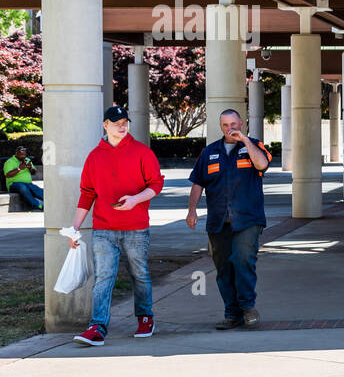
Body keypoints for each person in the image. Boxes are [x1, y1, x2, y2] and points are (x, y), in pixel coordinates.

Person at [69, 106, 165, 346]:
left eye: (125, 122)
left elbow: (156, 184)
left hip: (136, 228)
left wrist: (135, 200)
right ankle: (97, 327)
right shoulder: (94, 156)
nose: (122, 126)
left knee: (139, 274)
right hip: (103, 229)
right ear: (105, 125)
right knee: (103, 278)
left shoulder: (142, 152)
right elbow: (87, 193)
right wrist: (75, 228)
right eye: (116, 122)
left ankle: (145, 317)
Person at [186, 109, 272, 330]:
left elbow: (262, 165)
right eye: (225, 125)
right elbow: (198, 182)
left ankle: (248, 307)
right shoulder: (210, 152)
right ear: (220, 126)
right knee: (223, 267)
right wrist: (192, 210)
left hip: (248, 219)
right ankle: (231, 313)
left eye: (234, 124)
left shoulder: (254, 146)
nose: (230, 128)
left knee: (243, 260)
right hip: (218, 220)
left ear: (241, 123)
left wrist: (244, 140)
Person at [3, 145, 43, 211]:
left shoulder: (27, 160)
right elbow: (8, 175)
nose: (23, 156)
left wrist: (30, 168)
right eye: (21, 155)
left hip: (28, 184)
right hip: (13, 184)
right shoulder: (9, 162)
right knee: (23, 188)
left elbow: (34, 172)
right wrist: (19, 168)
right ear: (16, 153)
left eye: (24, 154)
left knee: (37, 189)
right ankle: (38, 205)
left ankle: (50, 202)